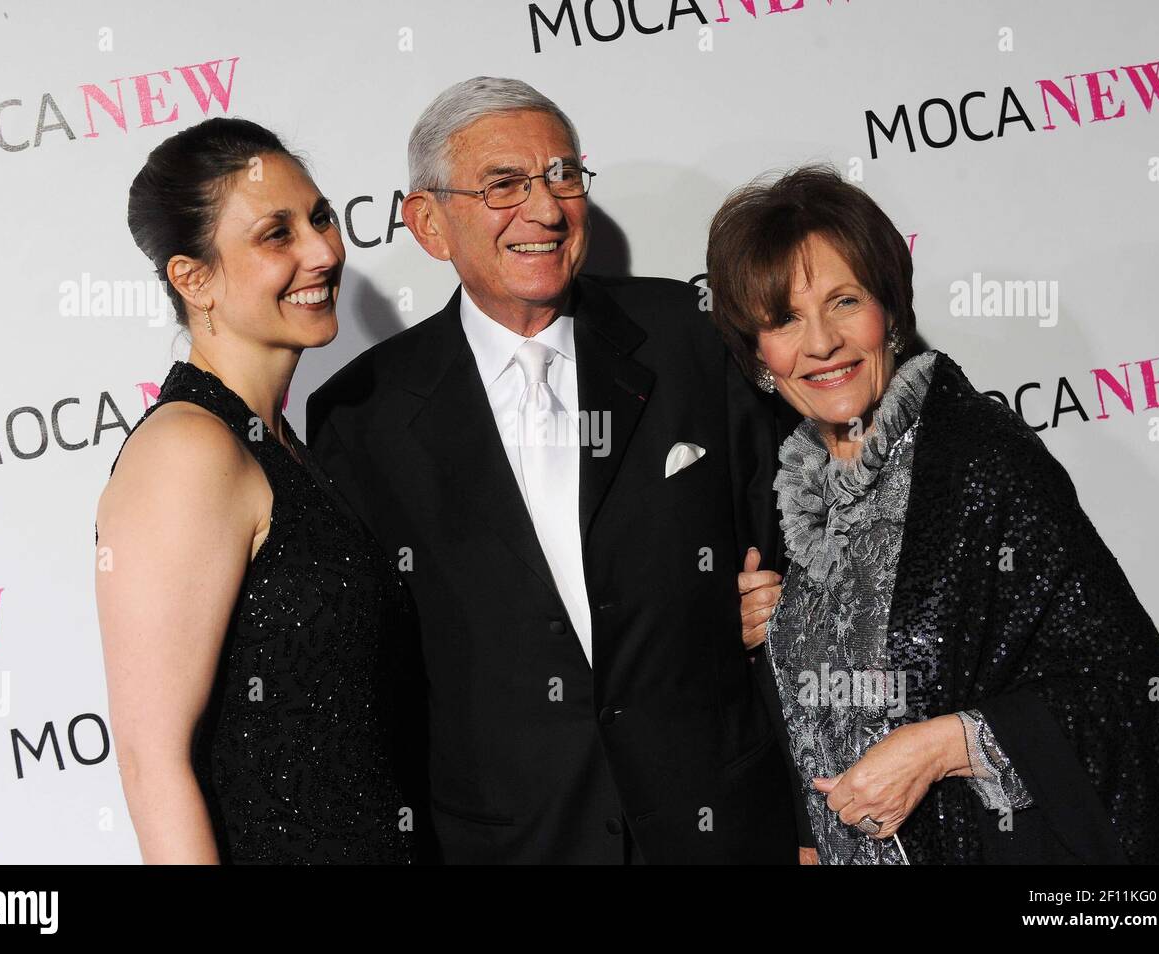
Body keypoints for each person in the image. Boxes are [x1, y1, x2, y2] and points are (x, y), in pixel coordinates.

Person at [306, 76, 799, 863]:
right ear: (429, 224)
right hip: (513, 844)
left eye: (562, 176)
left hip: (723, 827)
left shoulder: (687, 337)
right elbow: (375, 682)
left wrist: (782, 609)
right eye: (504, 185)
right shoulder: (360, 419)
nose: (544, 210)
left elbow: (799, 549)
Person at [706, 163, 1159, 864]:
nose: (820, 344)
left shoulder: (981, 465)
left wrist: (945, 746)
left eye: (844, 301)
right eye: (784, 320)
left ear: (889, 310)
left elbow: (1130, 692)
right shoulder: (790, 494)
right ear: (758, 356)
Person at [95, 118, 421, 864]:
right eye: (278, 235)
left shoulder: (278, 444)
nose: (323, 251)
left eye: (320, 218)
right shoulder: (187, 450)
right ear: (194, 278)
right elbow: (153, 762)